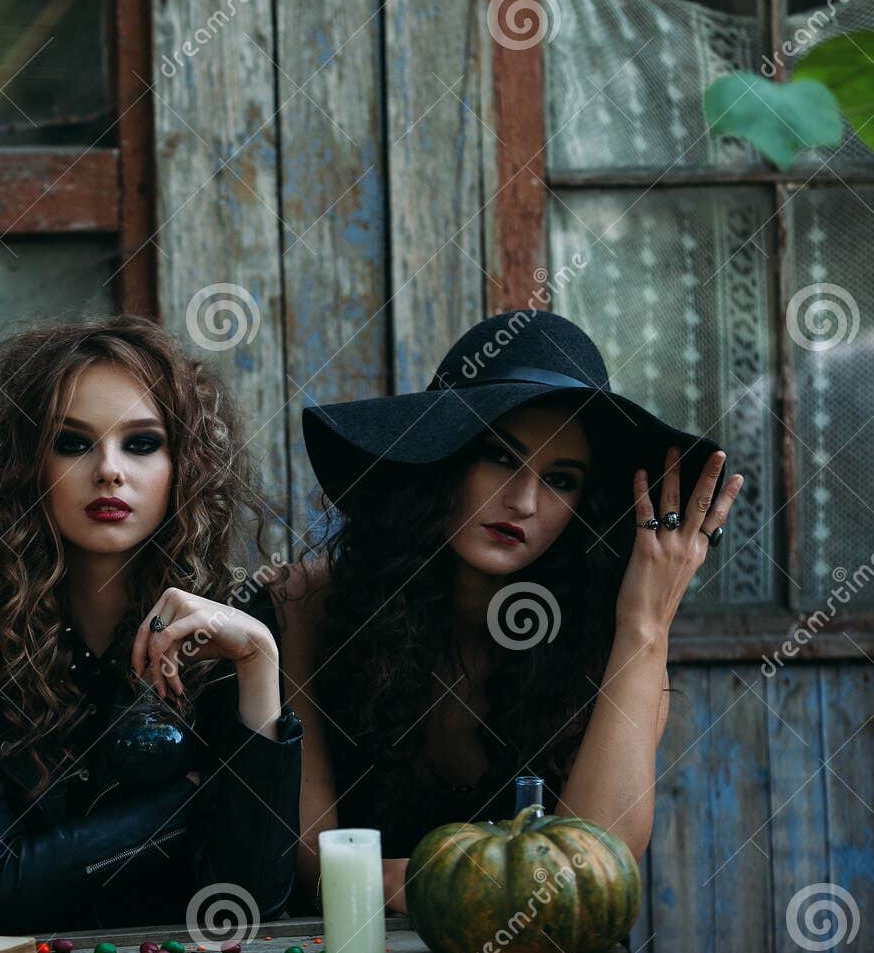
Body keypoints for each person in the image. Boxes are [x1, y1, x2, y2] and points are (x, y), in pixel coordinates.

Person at [278, 310, 744, 913]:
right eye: (500, 457)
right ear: (444, 457)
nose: (523, 503)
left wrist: (646, 626)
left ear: (587, 504)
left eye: (561, 478)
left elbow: (594, 867)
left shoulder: (616, 640)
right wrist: (507, 890)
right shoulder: (314, 604)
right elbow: (312, 858)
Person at [0, 316, 303, 935]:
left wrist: (259, 658)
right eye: (73, 443)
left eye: (141, 443)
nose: (109, 470)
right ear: (27, 466)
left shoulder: (230, 626)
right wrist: (191, 801)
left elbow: (256, 898)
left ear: (183, 464)